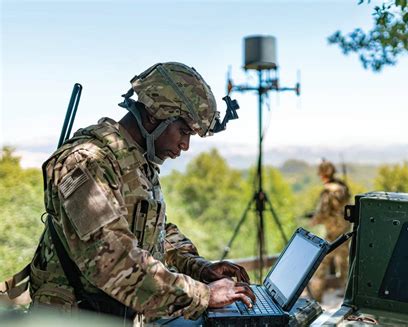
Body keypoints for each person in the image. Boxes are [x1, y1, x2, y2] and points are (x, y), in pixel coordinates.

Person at [4, 62, 256, 323]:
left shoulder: (137, 162)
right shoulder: (86, 161)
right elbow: (111, 260)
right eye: (183, 131)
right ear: (153, 116)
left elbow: (153, 233)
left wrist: (199, 267)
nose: (185, 145)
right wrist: (201, 295)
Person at [307, 160, 351, 302]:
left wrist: (313, 221)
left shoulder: (328, 190)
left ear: (323, 174)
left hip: (332, 232)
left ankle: (315, 297)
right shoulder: (342, 187)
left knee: (321, 263)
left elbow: (323, 212)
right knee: (344, 263)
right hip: (345, 229)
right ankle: (349, 295)